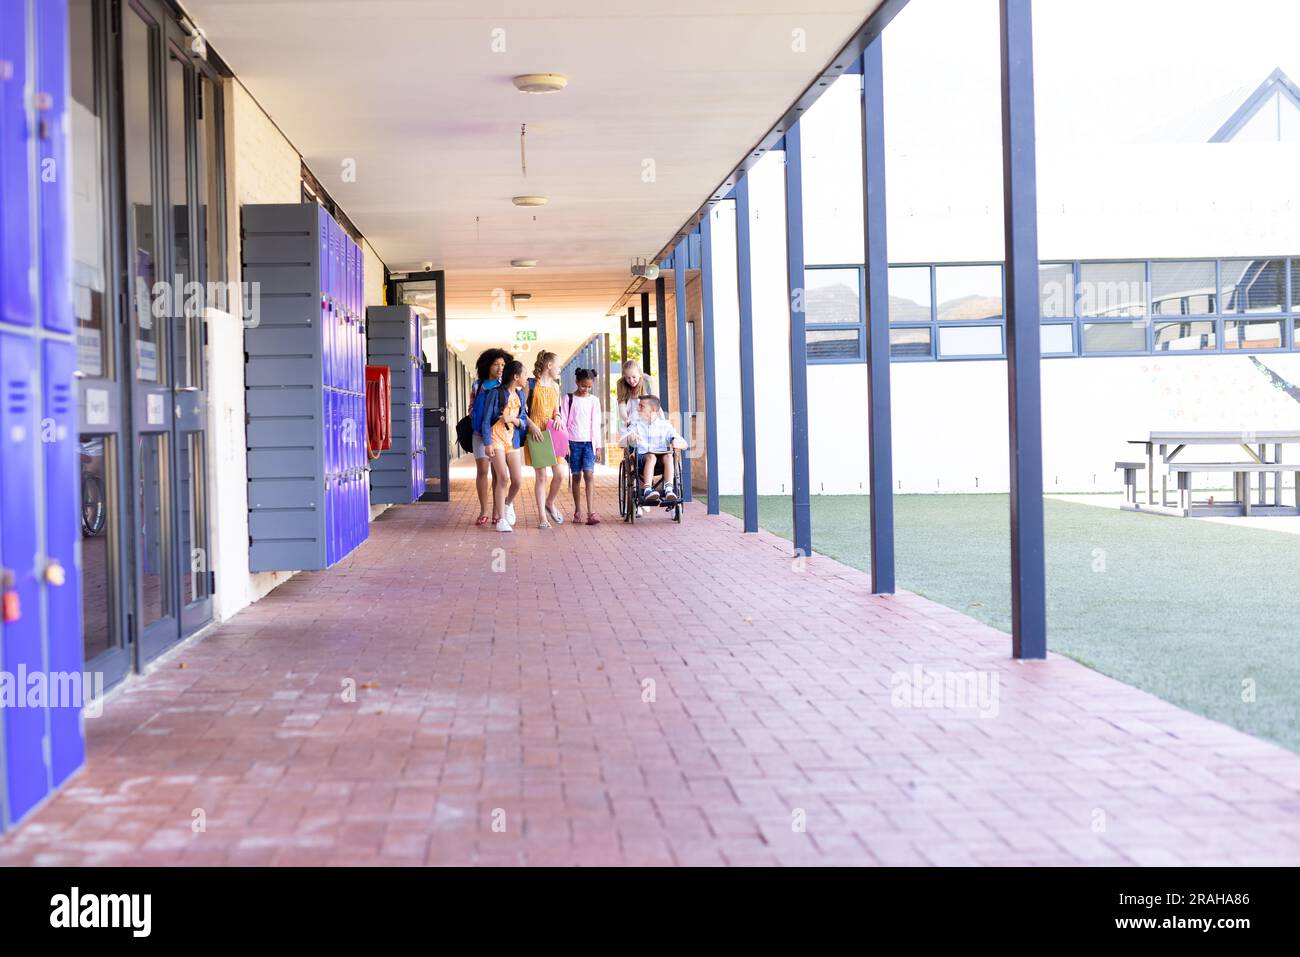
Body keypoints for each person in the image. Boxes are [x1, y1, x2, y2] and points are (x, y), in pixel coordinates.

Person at [525, 351, 569, 529]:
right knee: (541, 477)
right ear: (549, 366)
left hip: (553, 433)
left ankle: (549, 503)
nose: (559, 369)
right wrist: (531, 425)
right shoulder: (530, 385)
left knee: (559, 474)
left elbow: (556, 409)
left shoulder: (556, 387)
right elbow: (521, 411)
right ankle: (542, 517)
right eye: (557, 366)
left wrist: (558, 416)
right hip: (536, 434)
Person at [469, 349, 512, 527]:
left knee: (498, 474)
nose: (500, 368)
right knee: (482, 471)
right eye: (496, 364)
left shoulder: (504, 386)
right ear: (488, 365)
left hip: (498, 436)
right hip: (479, 434)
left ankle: (497, 510)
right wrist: (478, 418)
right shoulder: (478, 385)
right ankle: (483, 510)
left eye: (503, 365)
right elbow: (471, 407)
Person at [621, 394, 687, 505]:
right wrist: (629, 437)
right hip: (641, 461)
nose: (637, 408)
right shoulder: (636, 425)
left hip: (661, 462)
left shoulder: (665, 425)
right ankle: (647, 490)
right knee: (651, 456)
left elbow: (684, 443)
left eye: (641, 406)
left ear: (653, 409)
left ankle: (669, 490)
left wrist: (676, 441)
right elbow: (621, 443)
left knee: (669, 456)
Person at [486, 360, 528, 532]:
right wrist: (487, 443)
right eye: (524, 374)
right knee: (503, 478)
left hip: (513, 440)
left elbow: (524, 421)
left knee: (517, 481)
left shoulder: (520, 396)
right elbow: (485, 420)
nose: (527, 378)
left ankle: (508, 503)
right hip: (496, 438)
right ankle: (501, 519)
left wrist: (513, 419)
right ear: (516, 377)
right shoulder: (496, 394)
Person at [563, 368, 603, 525]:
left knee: (589, 475)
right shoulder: (568, 399)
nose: (586, 389)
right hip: (573, 443)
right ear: (577, 382)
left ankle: (591, 512)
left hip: (589, 443)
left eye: (589, 387)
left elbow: (596, 423)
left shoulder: (594, 400)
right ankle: (577, 511)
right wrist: (565, 443)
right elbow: (564, 422)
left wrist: (598, 446)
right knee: (576, 476)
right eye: (583, 386)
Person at [616, 360, 651, 434]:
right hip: (628, 412)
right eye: (628, 378)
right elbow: (621, 405)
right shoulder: (621, 384)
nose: (631, 381)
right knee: (627, 431)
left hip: (645, 409)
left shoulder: (646, 382)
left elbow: (649, 405)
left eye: (634, 377)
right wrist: (626, 419)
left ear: (640, 374)